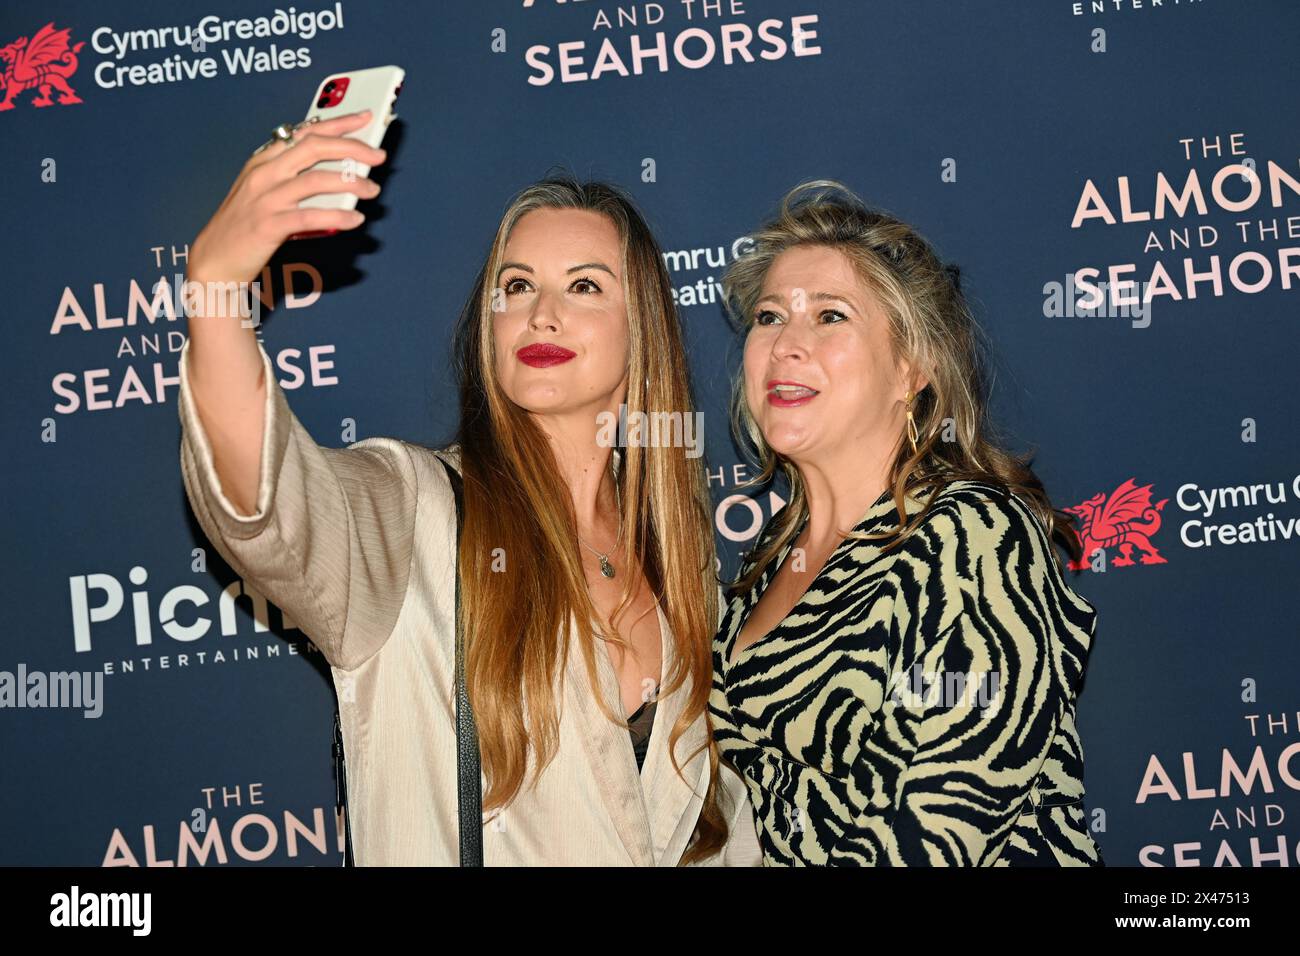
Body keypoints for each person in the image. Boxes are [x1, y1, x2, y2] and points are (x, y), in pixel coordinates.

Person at [178, 108, 760, 865]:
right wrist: (217, 289)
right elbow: (271, 503)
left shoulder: (679, 560)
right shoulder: (417, 509)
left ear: (641, 328)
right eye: (516, 286)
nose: (542, 313)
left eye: (584, 286)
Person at [710, 179, 1104, 866]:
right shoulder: (763, 565)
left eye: (830, 316)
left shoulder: (975, 535)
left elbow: (947, 824)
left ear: (911, 368)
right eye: (770, 317)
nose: (786, 344)